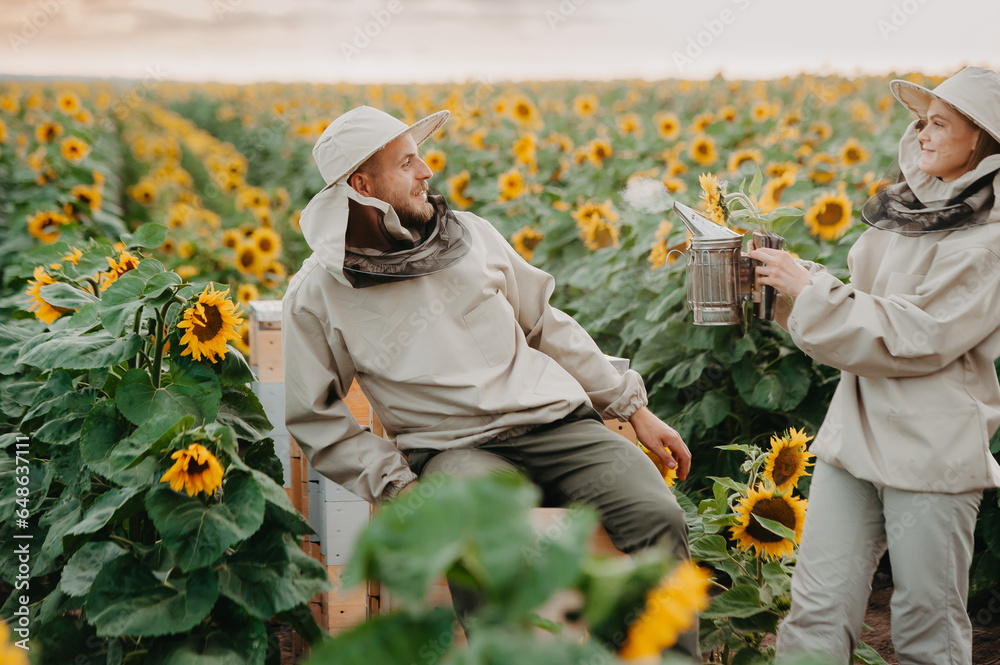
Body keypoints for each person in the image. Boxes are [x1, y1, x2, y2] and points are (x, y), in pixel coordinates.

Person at [282, 105, 698, 658]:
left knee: (658, 516)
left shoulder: (472, 235)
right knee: (480, 547)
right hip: (453, 451)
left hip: (556, 426)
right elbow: (314, 414)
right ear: (363, 183)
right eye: (407, 163)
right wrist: (398, 484)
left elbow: (547, 323)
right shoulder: (317, 291)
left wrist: (633, 408)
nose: (427, 171)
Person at [749, 66, 1000, 665]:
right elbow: (864, 311)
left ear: (983, 141)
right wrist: (789, 282)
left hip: (929, 448)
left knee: (925, 629)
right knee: (815, 612)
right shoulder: (910, 211)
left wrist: (809, 293)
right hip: (854, 433)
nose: (921, 134)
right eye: (920, 122)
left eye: (940, 123)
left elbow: (915, 335)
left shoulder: (988, 240)